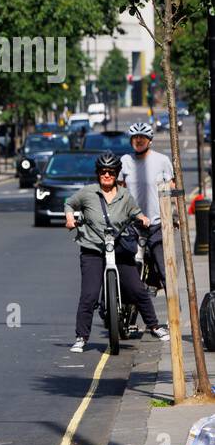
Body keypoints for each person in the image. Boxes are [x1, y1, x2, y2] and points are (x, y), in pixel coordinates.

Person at [65, 152, 169, 353]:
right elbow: (70, 203)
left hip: (119, 247)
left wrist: (143, 218)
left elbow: (135, 212)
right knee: (89, 295)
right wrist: (70, 217)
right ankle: (81, 337)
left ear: (116, 174)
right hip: (93, 249)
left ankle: (155, 326)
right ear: (98, 173)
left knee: (138, 290)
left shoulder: (124, 195)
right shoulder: (88, 193)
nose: (106, 175)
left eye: (111, 172)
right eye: (103, 172)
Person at [118, 121, 174, 292]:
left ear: (150, 140)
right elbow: (119, 190)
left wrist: (176, 216)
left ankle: (174, 315)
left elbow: (172, 189)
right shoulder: (125, 161)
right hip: (132, 225)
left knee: (166, 271)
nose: (139, 140)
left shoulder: (162, 161)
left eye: (143, 137)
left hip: (157, 224)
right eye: (135, 137)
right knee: (129, 268)